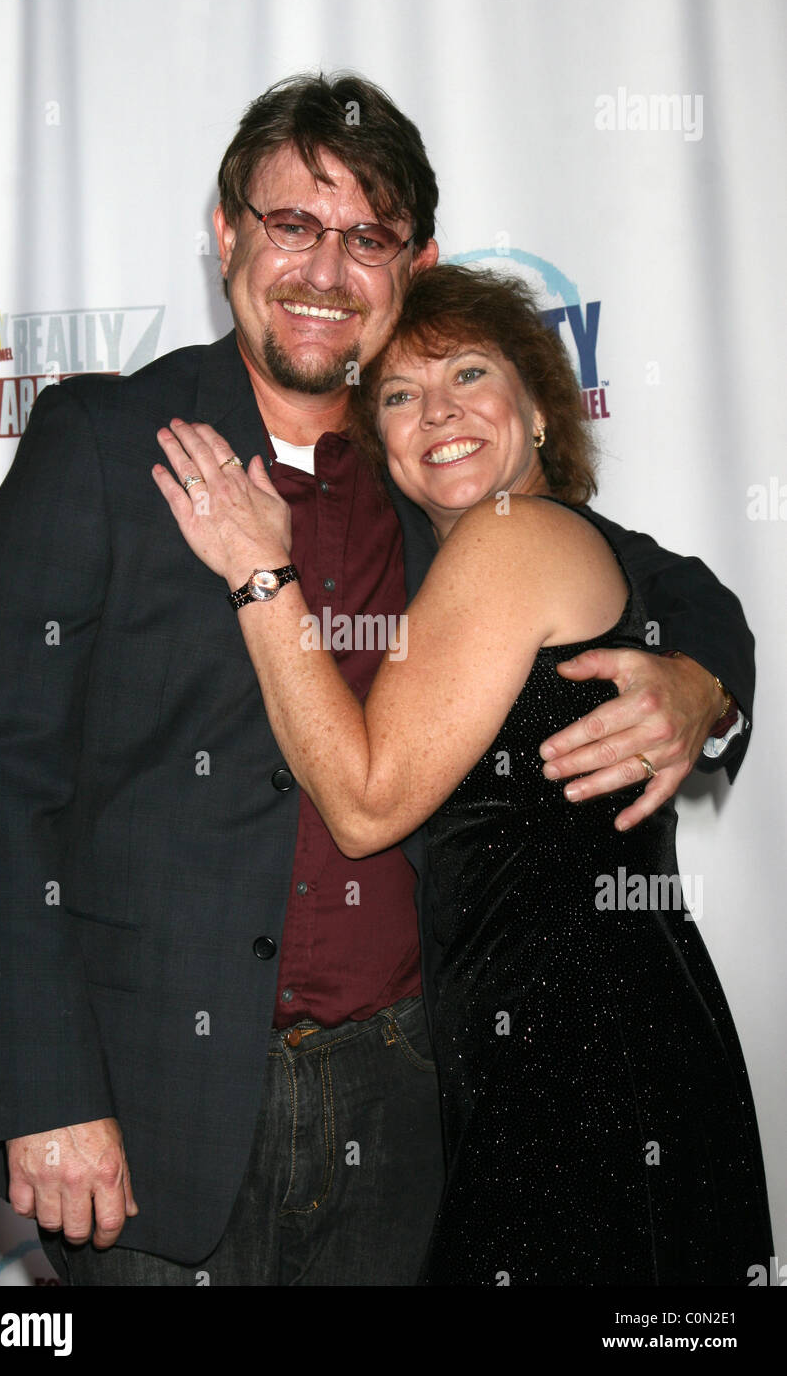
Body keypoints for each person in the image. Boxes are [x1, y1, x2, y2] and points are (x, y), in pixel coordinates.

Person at [0, 74, 755, 1287]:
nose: (325, 270)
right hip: (152, 1113)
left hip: (412, 1108)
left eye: (365, 236)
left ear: (412, 265)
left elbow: (658, 575)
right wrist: (46, 1093)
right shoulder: (105, 440)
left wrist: (700, 684)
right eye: (291, 226)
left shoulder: (435, 467)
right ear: (226, 236)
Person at [153, 262, 772, 1284]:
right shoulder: (502, 553)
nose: (434, 412)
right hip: (589, 1050)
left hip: (574, 1074)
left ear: (535, 414)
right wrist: (709, 674)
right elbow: (687, 588)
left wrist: (259, 576)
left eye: (469, 376)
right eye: (398, 393)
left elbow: (363, 803)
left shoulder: (506, 537)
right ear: (376, 437)